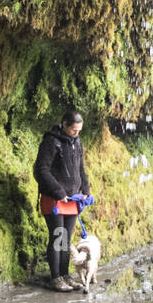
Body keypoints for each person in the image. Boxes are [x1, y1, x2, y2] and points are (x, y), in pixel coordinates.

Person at [33, 109, 93, 291]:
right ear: (64, 125)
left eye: (79, 130)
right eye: (74, 129)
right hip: (55, 200)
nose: (77, 133)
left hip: (72, 200)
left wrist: (86, 189)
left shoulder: (77, 142)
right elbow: (41, 170)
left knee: (66, 239)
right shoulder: (51, 141)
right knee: (58, 237)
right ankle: (55, 278)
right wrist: (58, 191)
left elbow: (80, 169)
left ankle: (65, 275)